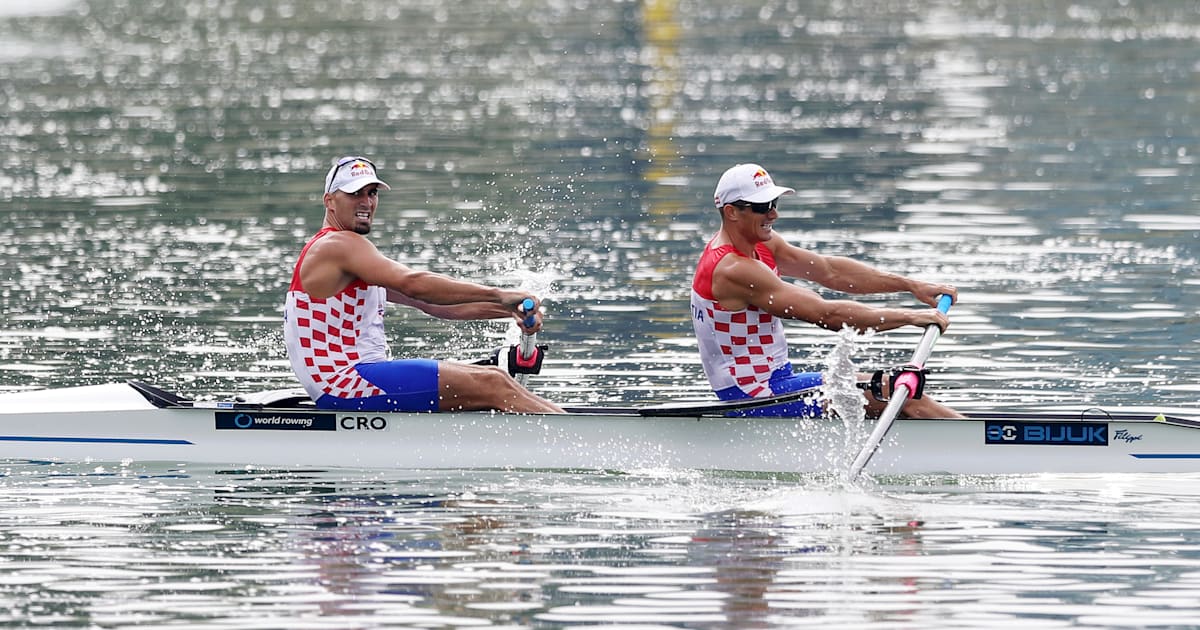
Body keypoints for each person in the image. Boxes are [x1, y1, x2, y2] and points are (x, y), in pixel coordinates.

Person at [283, 155, 563, 414]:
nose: (366, 202)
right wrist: (499, 294)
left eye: (372, 193)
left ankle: (563, 427)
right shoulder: (337, 245)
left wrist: (509, 310)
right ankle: (574, 439)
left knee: (496, 377)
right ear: (330, 201)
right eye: (355, 193)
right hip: (344, 384)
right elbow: (415, 284)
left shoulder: (348, 257)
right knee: (493, 384)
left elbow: (433, 305)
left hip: (350, 381)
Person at [690, 163, 963, 419]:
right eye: (762, 207)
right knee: (901, 395)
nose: (773, 214)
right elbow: (828, 315)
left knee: (893, 393)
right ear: (732, 212)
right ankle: (983, 441)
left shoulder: (760, 243)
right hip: (754, 396)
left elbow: (831, 272)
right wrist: (910, 317)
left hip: (779, 381)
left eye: (774, 203)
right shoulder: (733, 269)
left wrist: (910, 285)